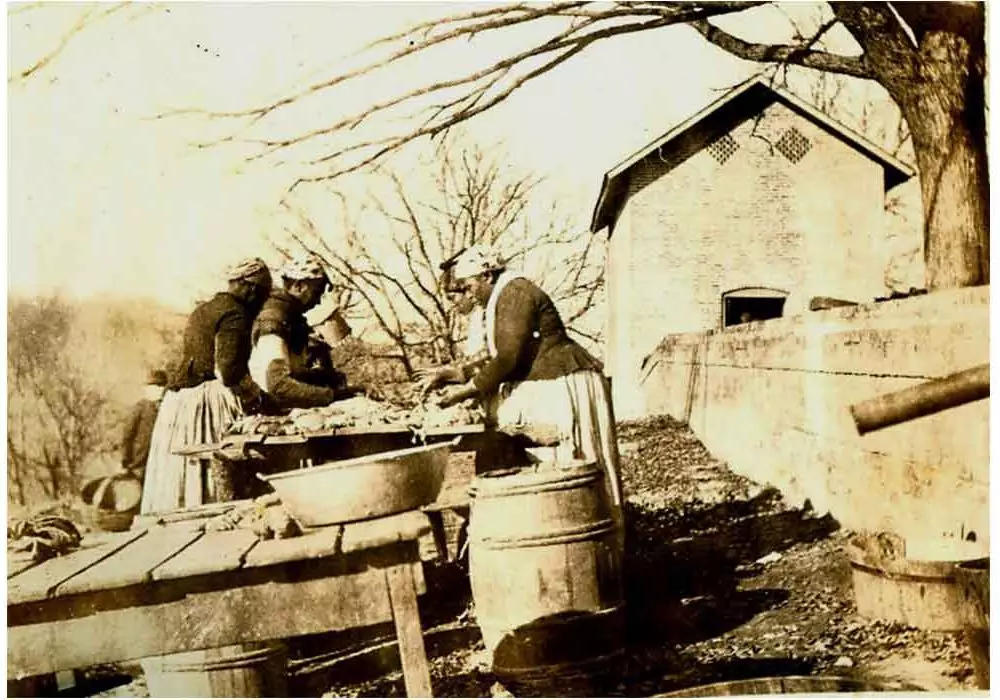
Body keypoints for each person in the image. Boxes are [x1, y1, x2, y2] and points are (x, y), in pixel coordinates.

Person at [437, 244, 624, 517]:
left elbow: (508, 358)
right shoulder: (501, 298)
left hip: (563, 384)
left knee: (569, 463)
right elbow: (497, 355)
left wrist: (466, 391)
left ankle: (586, 525)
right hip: (548, 384)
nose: (468, 294)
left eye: (468, 287)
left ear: (487, 276)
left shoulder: (515, 293)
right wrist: (457, 375)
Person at [140, 257, 273, 514]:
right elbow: (228, 371)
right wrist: (258, 396)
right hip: (207, 404)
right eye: (262, 294)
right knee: (217, 471)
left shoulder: (203, 310)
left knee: (181, 475)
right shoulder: (236, 313)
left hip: (179, 404)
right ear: (251, 288)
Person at [249, 252, 354, 411]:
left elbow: (292, 373)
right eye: (316, 291)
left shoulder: (290, 319)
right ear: (298, 286)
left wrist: (326, 378)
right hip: (263, 408)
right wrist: (332, 395)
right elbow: (278, 385)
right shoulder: (274, 320)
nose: (318, 300)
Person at [414, 251, 489, 395]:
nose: (452, 305)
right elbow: (472, 359)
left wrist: (450, 372)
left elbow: (490, 358)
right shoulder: (476, 318)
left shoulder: (487, 314)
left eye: (452, 297)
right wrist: (442, 369)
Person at [120, 369, 168, 480]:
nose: (159, 390)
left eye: (161, 386)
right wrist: (125, 460)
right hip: (140, 463)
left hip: (162, 461)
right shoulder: (141, 407)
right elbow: (128, 435)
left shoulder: (169, 407)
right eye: (154, 386)